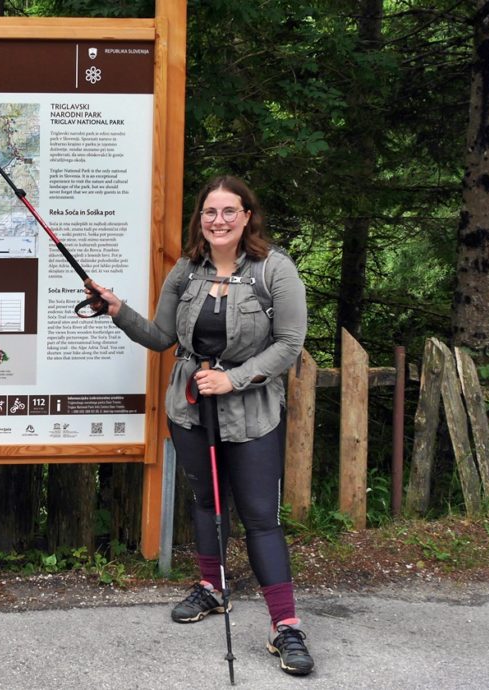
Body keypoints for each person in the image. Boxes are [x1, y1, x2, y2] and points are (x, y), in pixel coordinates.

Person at [88, 175, 314, 676]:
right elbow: (162, 335)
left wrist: (232, 380)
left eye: (229, 211)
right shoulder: (186, 271)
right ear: (201, 219)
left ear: (247, 216)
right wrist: (118, 309)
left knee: (260, 516)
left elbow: (289, 344)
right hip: (190, 408)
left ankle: (286, 626)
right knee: (207, 503)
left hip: (252, 412)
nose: (218, 220)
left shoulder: (274, 270)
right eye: (210, 212)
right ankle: (213, 589)